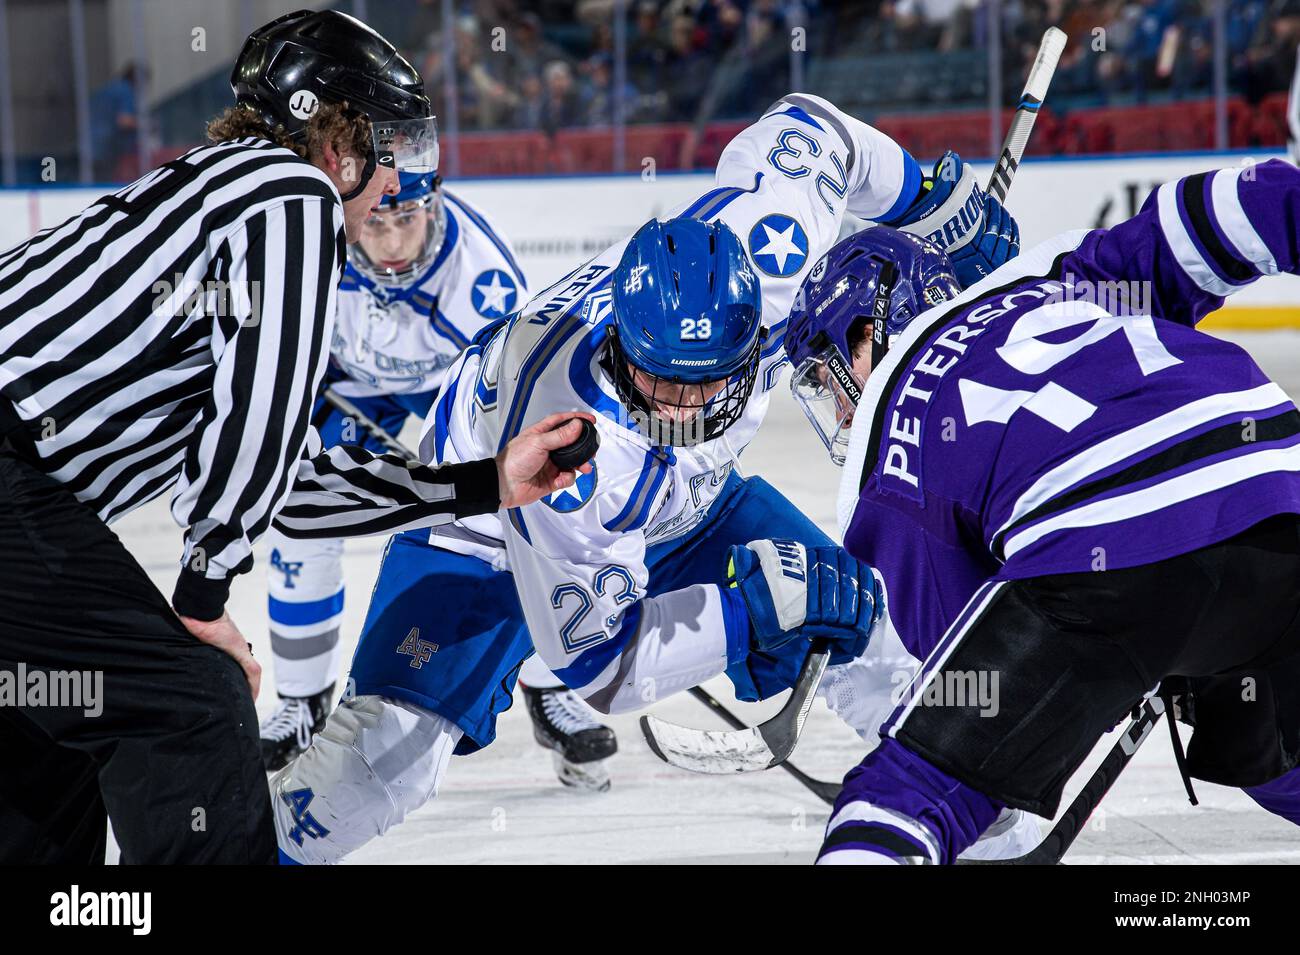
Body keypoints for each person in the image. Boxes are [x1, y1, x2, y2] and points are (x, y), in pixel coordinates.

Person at [268, 92, 1034, 864]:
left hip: (683, 506)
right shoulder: (568, 444)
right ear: (622, 342)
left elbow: (818, 126)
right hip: (487, 530)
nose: (685, 406)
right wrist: (745, 613)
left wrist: (935, 206)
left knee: (866, 618)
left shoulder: (772, 250)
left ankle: (968, 799)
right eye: (663, 380)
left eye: (710, 382)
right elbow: (596, 666)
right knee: (376, 767)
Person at [0, 8, 590, 866]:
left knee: (59, 722)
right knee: (192, 704)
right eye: (388, 146)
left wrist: (486, 481)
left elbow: (288, 484)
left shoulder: (218, 200)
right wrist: (204, 598)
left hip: (24, 501)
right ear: (332, 133)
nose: (399, 180)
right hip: (15, 488)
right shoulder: (289, 193)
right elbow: (261, 433)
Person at [780, 160, 1300, 864]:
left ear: (868, 328)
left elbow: (961, 656)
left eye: (825, 373)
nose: (839, 407)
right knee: (1274, 746)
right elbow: (1221, 214)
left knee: (910, 787)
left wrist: (1081, 685)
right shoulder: (1051, 280)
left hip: (1102, 553)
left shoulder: (888, 442)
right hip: (1279, 484)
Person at [258, 167, 618, 789]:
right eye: (377, 221)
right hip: (349, 394)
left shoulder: (483, 284)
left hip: (446, 393)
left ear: (434, 207)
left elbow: (509, 396)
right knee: (304, 519)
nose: (393, 241)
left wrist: (479, 468)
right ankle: (301, 702)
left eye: (408, 219)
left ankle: (546, 686)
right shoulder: (313, 243)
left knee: (520, 528)